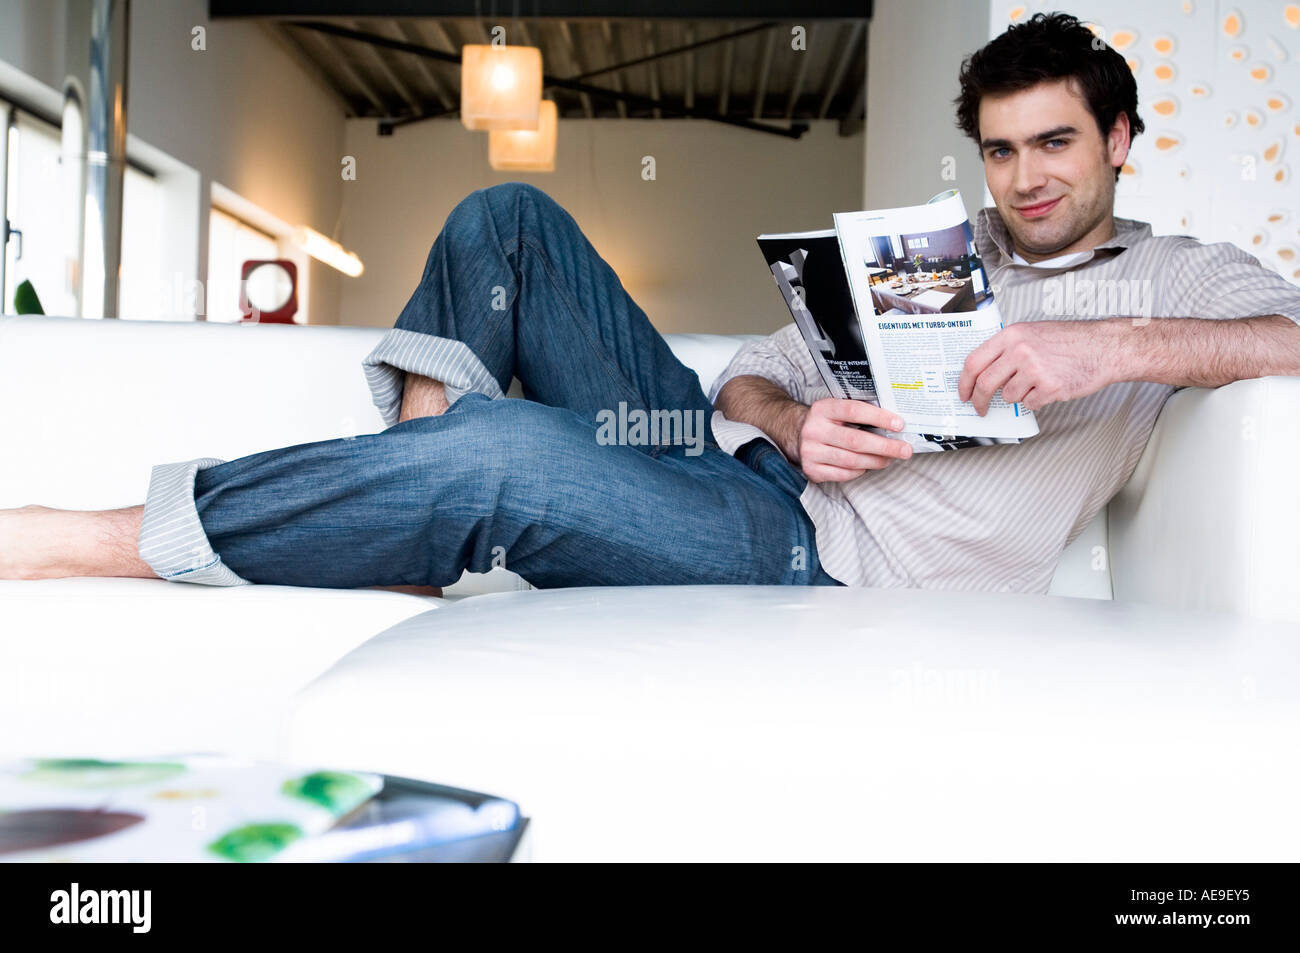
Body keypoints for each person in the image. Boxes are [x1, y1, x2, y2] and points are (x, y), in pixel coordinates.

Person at [2, 12, 1298, 594]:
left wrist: (1110, 345)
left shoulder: (1181, 279)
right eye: (1002, 151)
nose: (1023, 179)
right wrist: (791, 424)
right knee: (506, 215)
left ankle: (105, 536)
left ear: (1120, 138)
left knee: (497, 452)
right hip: (717, 456)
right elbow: (744, 371)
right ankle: (403, 497)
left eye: (1055, 145)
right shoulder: (941, 256)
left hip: (806, 557)